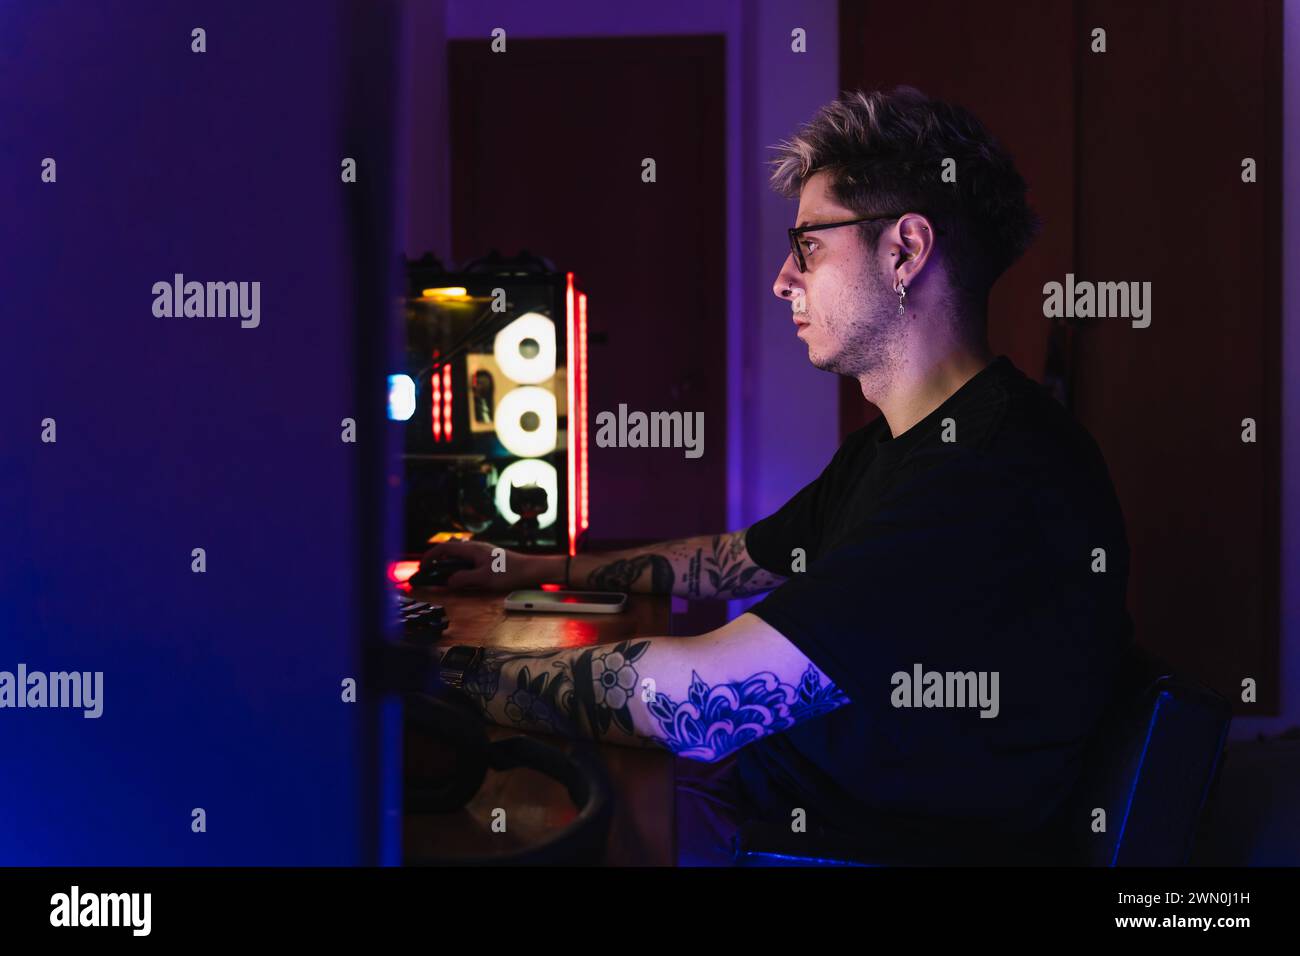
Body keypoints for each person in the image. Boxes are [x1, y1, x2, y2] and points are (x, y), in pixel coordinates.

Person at [427, 87, 1134, 866]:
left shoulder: (985, 472)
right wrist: (529, 568)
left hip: (860, 845)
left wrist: (443, 672)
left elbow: (696, 705)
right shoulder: (906, 440)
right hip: (804, 796)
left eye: (808, 245)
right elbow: (734, 558)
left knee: (509, 812)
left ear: (904, 251)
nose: (781, 280)